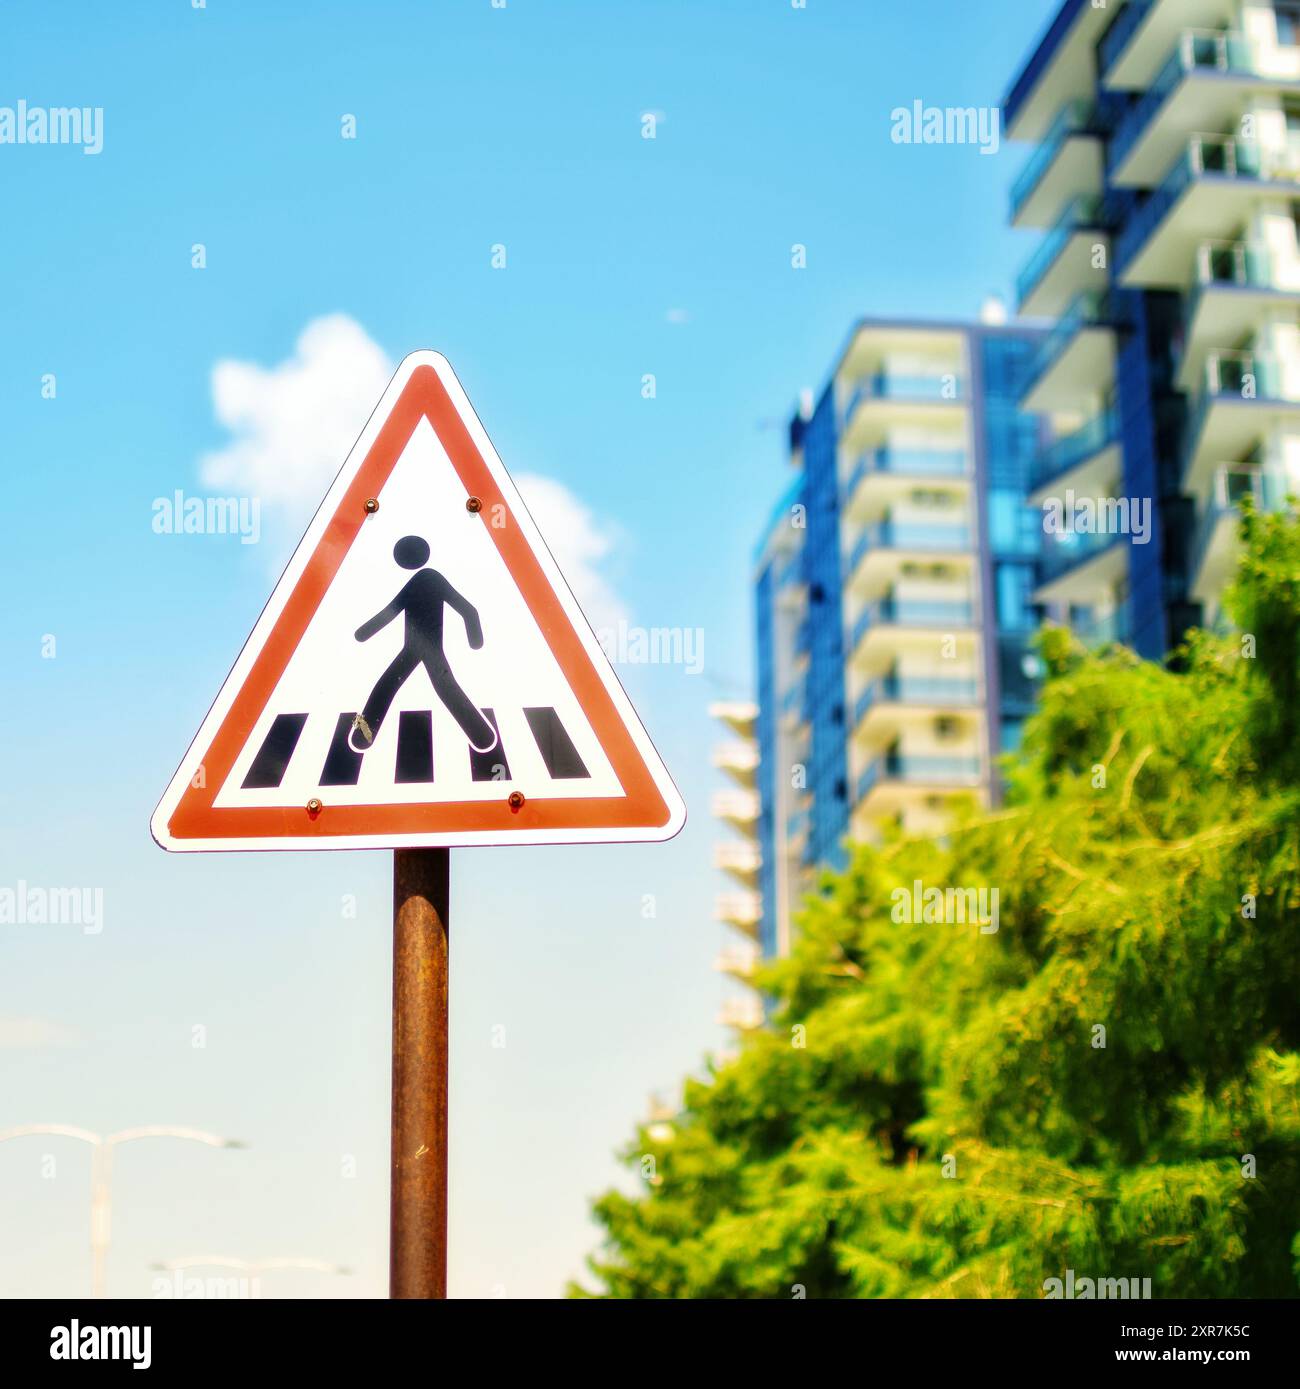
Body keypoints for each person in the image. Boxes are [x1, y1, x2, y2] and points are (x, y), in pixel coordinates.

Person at [348, 534, 496, 754]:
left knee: (394, 684)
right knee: (439, 687)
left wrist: (363, 634)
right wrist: (474, 639)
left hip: (423, 648)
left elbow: (391, 611)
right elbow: (468, 610)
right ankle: (482, 735)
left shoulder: (427, 579)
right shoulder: (428, 579)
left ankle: (482, 735)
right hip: (417, 648)